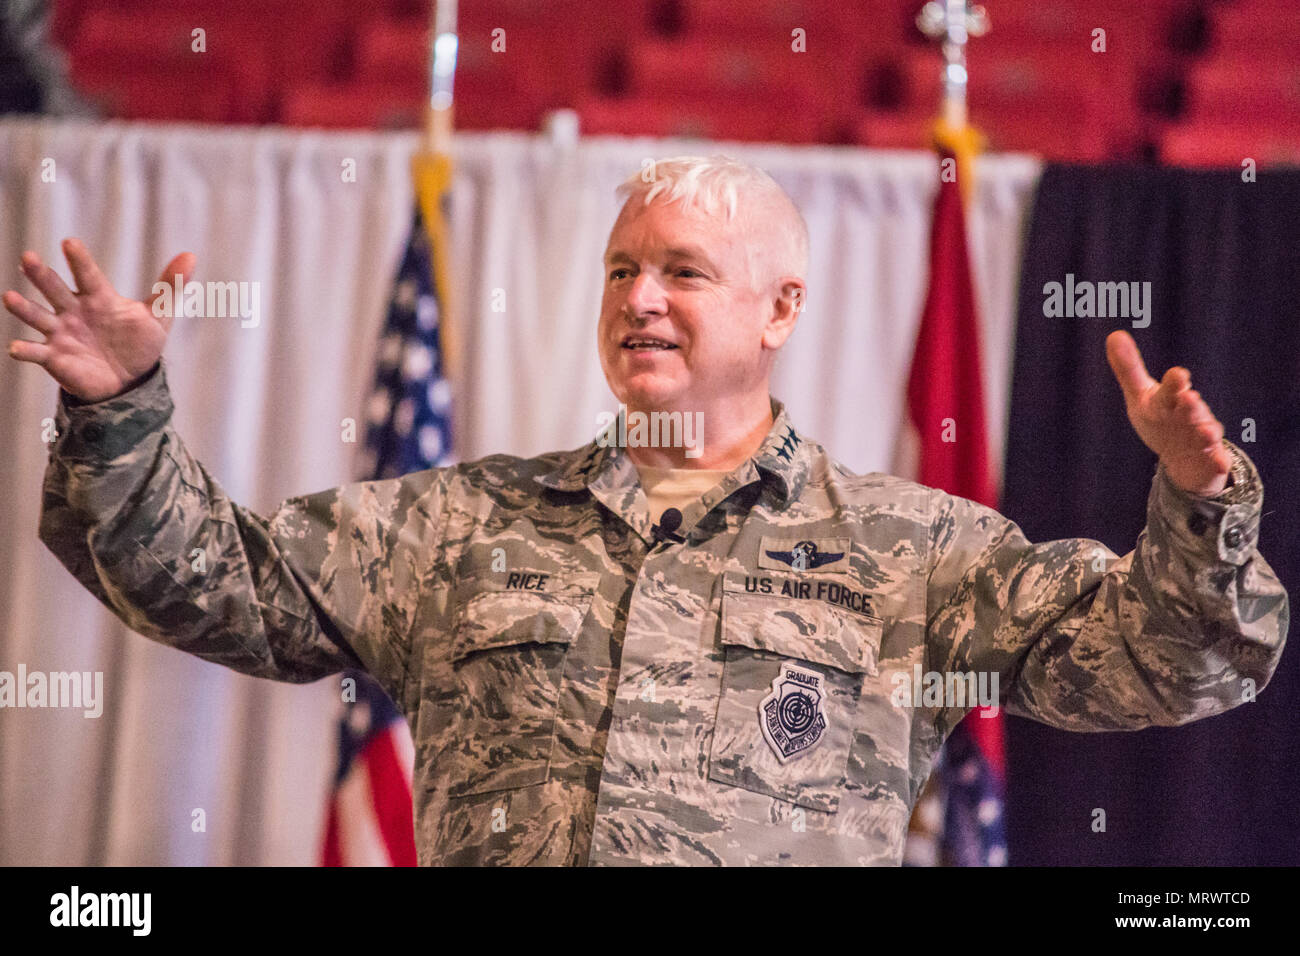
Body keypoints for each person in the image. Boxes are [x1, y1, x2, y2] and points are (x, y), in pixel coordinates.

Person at [5, 155, 1288, 866]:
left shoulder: (916, 550)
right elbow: (213, 580)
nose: (641, 298)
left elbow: (1168, 663)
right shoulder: (463, 525)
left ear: (780, 310)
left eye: (683, 269)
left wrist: (1197, 498)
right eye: (622, 268)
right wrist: (125, 407)